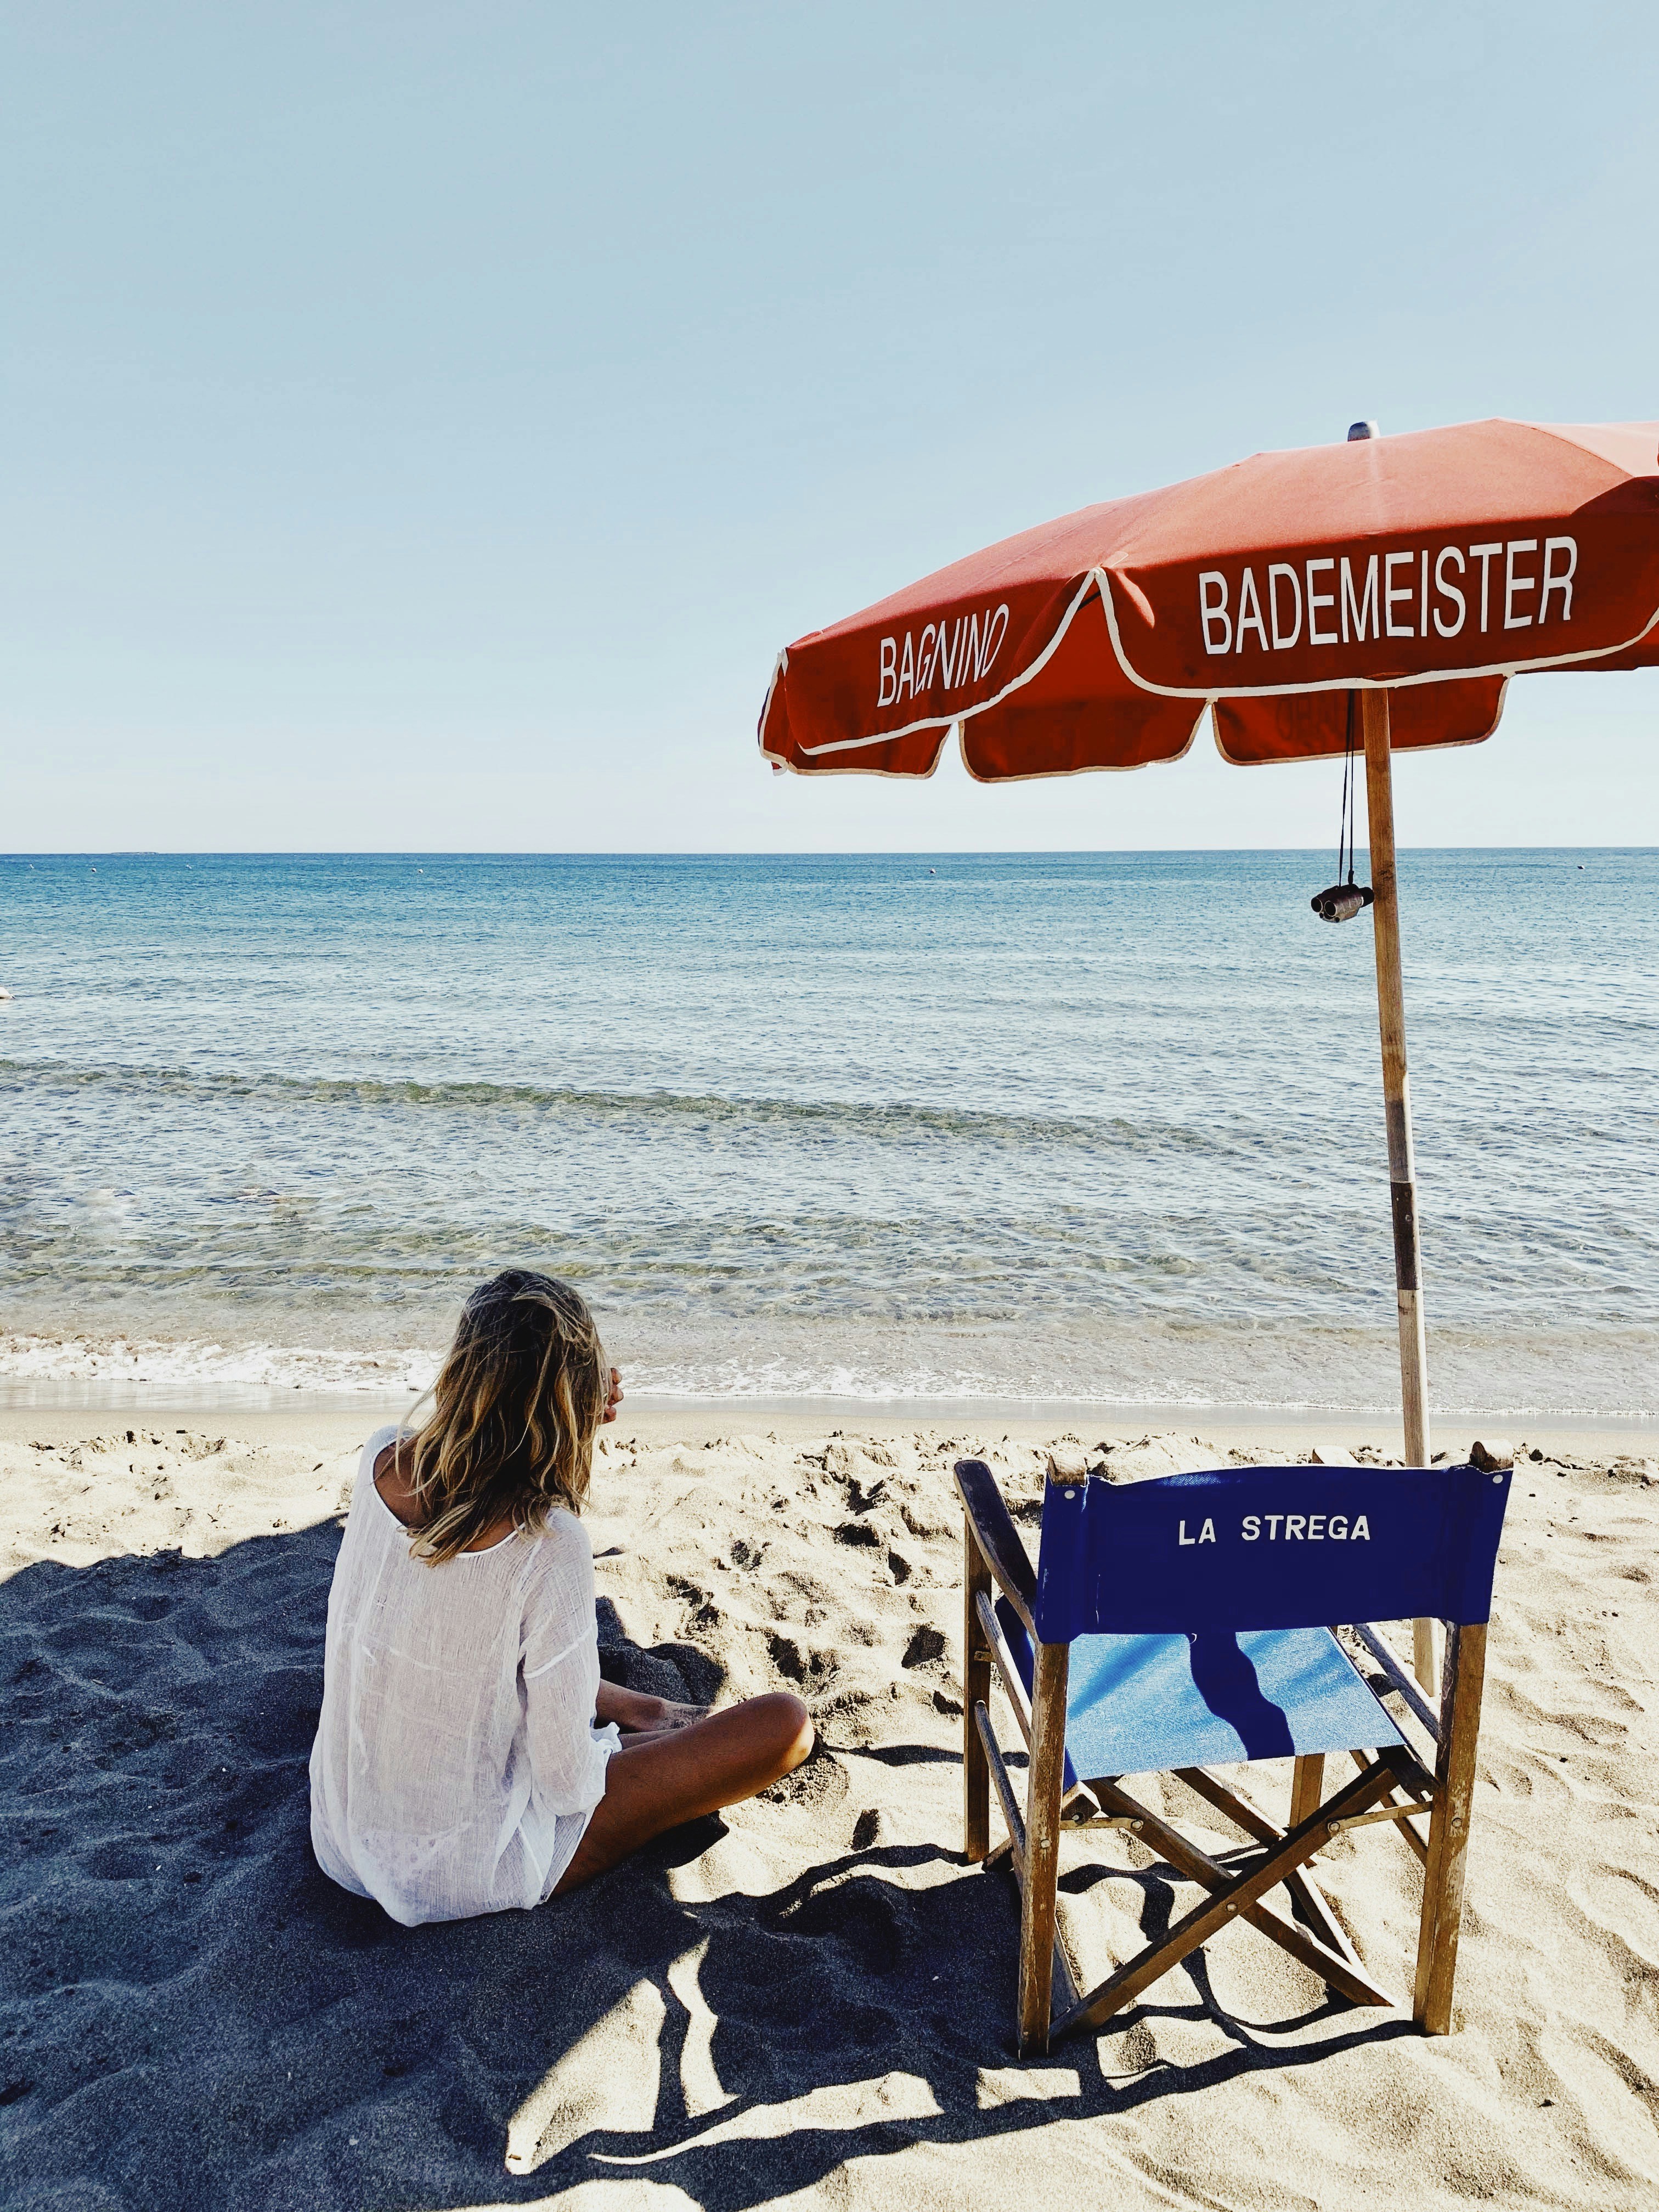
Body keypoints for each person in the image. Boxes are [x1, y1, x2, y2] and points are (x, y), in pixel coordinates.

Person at [309, 1268, 813, 1926]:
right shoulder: (549, 1547)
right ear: (570, 1403)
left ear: (461, 1370)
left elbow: (465, 1654)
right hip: (465, 1864)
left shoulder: (382, 1457)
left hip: (345, 1832)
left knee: (597, 1709)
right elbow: (567, 1784)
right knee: (785, 1725)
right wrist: (576, 1428)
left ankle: (645, 1708)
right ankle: (646, 1722)